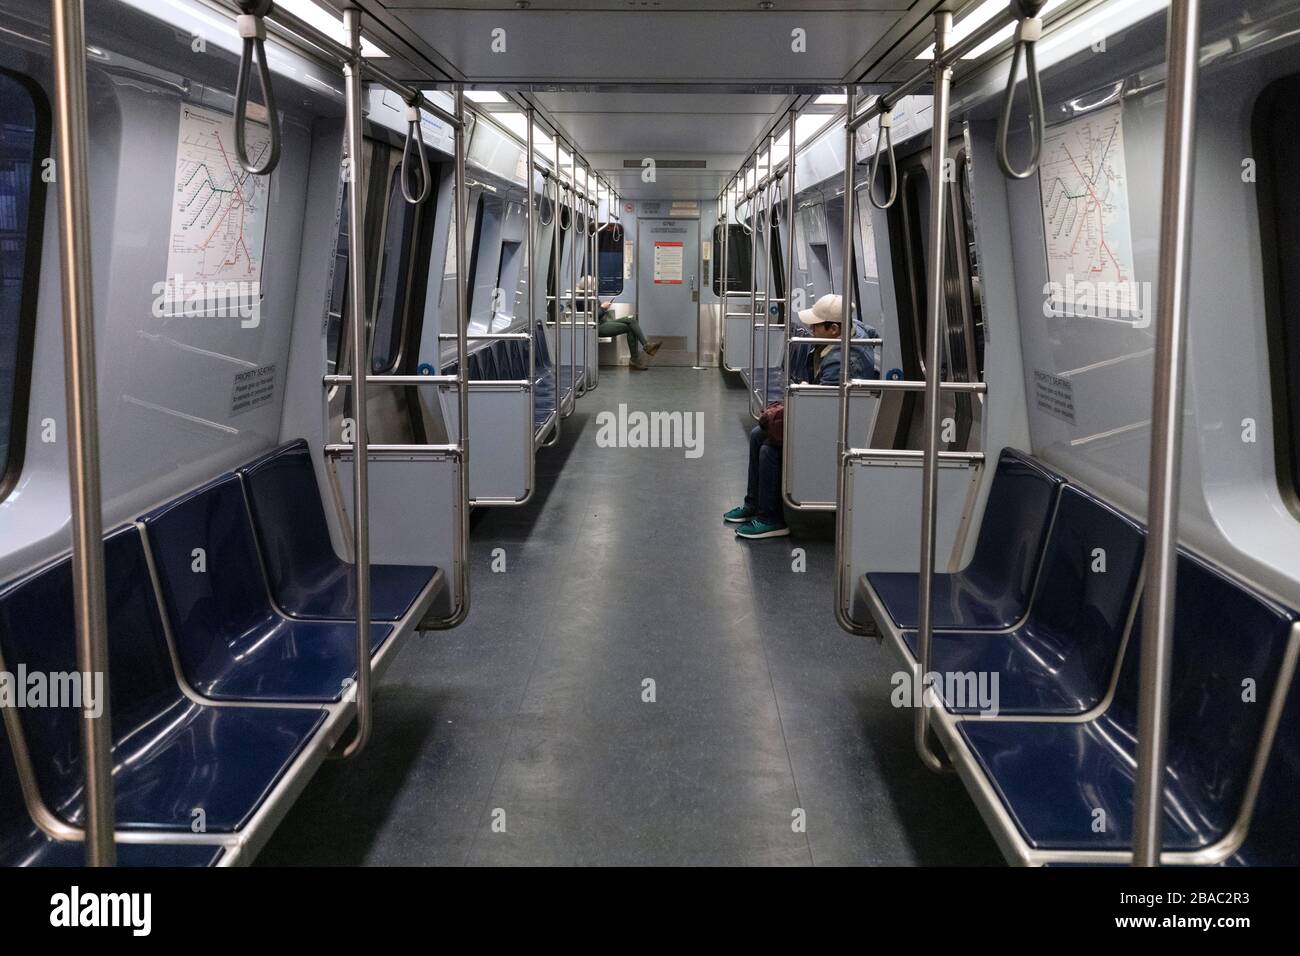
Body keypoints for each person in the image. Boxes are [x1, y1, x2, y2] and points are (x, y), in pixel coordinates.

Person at [725, 293, 879, 540]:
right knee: (757, 434)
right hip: (825, 418)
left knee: (769, 449)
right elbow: (867, 329)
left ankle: (772, 518)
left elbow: (826, 409)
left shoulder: (843, 362)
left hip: (835, 430)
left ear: (834, 329)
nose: (810, 329)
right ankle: (755, 505)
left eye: (816, 325)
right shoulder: (848, 331)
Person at [577, 275, 661, 370]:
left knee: (631, 319)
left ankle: (646, 347)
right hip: (599, 326)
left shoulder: (590, 296)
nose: (597, 287)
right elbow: (591, 318)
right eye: (595, 285)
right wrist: (603, 308)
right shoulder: (583, 299)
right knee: (630, 328)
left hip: (604, 321)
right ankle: (637, 357)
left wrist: (603, 308)